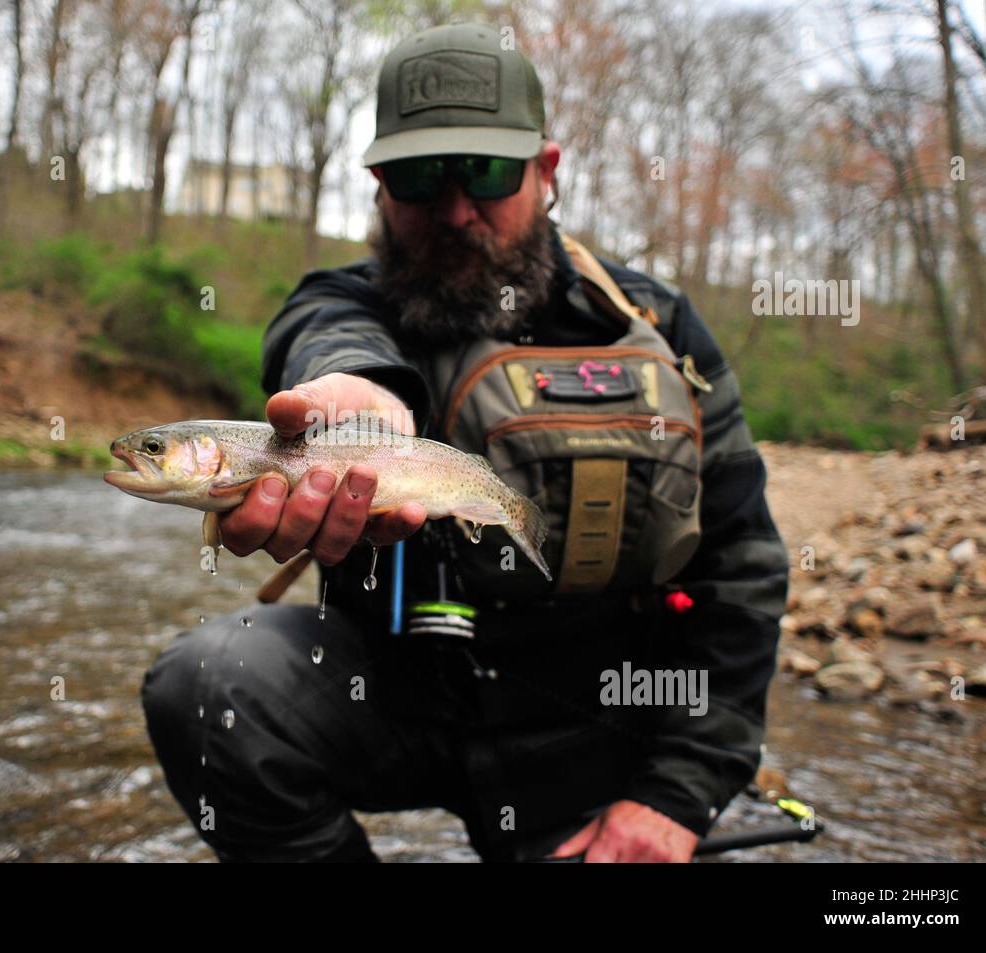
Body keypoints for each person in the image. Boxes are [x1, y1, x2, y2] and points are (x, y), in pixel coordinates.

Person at [142, 23, 788, 862]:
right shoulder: (340, 306)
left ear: (546, 172)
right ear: (378, 185)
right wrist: (358, 391)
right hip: (397, 691)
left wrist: (676, 794)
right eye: (419, 175)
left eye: (486, 171)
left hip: (592, 724)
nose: (455, 208)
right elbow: (326, 336)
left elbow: (743, 570)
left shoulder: (656, 328)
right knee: (207, 684)